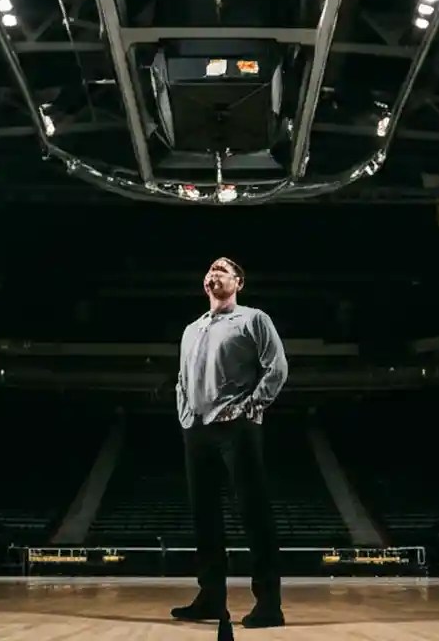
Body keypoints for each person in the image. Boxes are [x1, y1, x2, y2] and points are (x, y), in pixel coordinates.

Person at [170, 257, 288, 629]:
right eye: (210, 269)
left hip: (237, 426)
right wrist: (186, 415)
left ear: (239, 282)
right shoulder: (191, 329)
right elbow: (181, 379)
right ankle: (211, 598)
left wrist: (251, 406)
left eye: (223, 269)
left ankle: (269, 604)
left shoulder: (254, 319)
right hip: (197, 428)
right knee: (203, 516)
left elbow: (277, 367)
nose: (214, 272)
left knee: (253, 514)